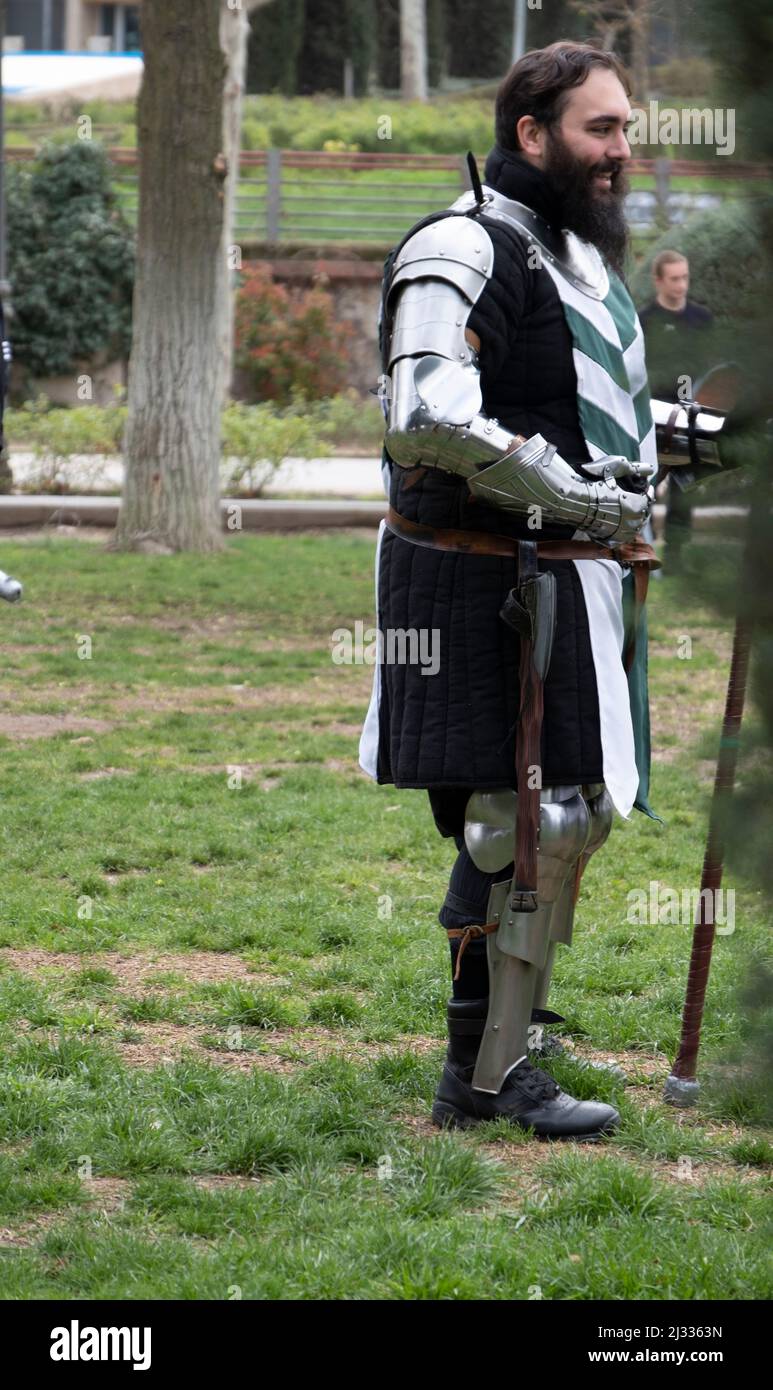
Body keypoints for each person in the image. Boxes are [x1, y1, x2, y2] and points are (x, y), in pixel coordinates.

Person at [357, 42, 727, 1141]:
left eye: (625, 130)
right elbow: (424, 413)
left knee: (560, 817)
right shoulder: (463, 245)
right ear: (532, 133)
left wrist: (700, 442)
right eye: (599, 130)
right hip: (483, 578)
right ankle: (485, 1072)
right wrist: (596, 505)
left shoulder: (571, 260)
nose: (620, 151)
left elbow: (578, 411)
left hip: (558, 574)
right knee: (515, 821)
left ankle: (500, 1045)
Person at [638, 251, 715, 573]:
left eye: (685, 277)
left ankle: (678, 559)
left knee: (685, 487)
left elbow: (711, 365)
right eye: (674, 278)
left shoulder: (701, 319)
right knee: (646, 484)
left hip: (690, 416)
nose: (681, 284)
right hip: (653, 414)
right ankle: (644, 552)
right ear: (658, 280)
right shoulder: (643, 320)